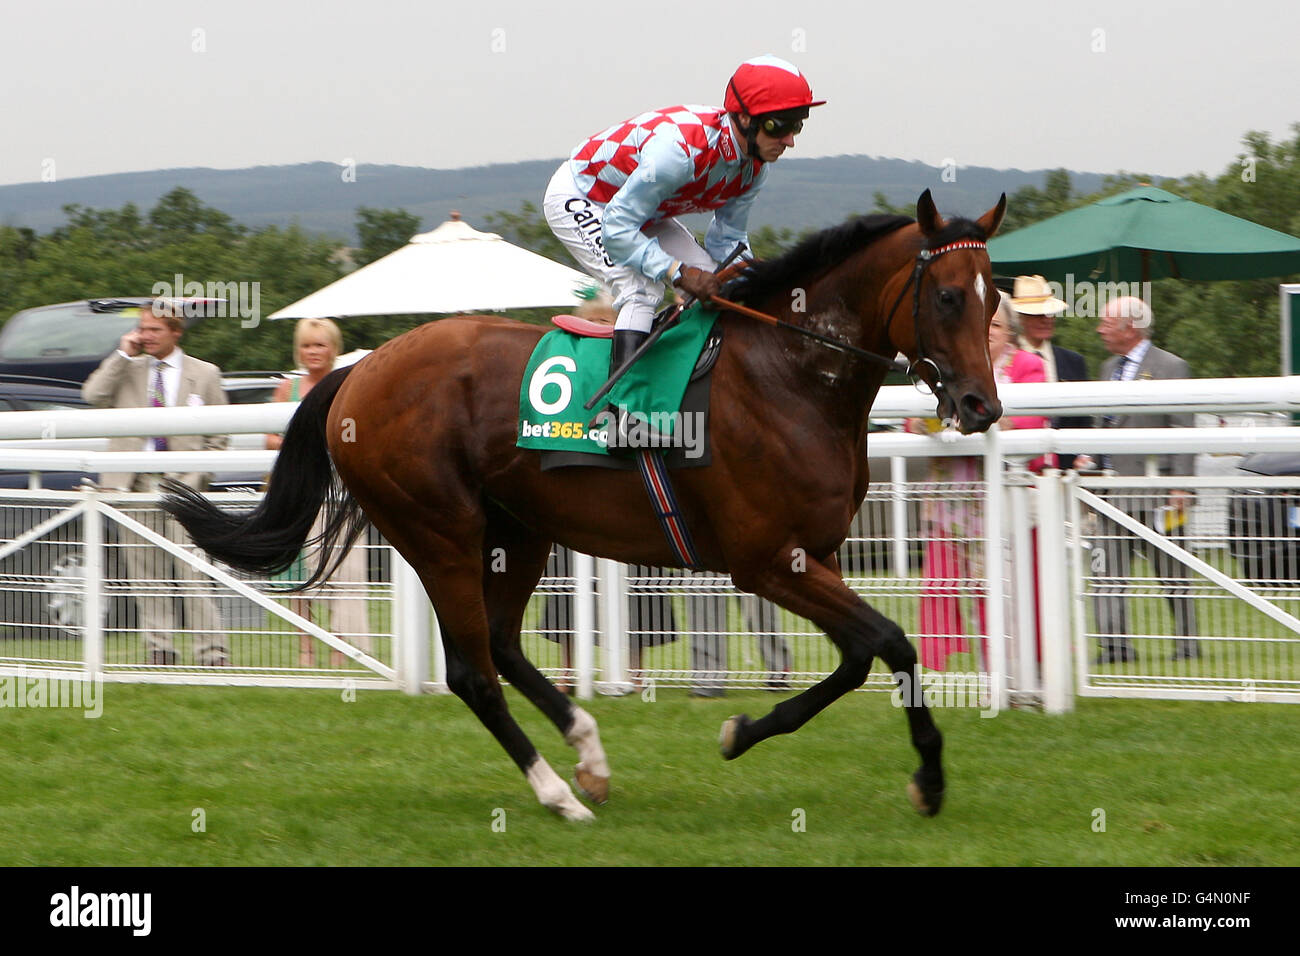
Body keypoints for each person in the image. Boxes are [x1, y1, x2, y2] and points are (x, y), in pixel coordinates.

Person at [543, 55, 825, 381]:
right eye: (780, 126)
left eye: (797, 125)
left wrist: (756, 281)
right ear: (745, 118)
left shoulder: (754, 168)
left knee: (718, 286)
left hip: (644, 211)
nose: (790, 141)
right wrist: (677, 272)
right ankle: (622, 406)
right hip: (585, 197)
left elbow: (728, 239)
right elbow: (617, 228)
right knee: (641, 289)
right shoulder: (677, 154)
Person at [82, 301, 229, 666]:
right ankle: (160, 649)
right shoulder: (126, 369)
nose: (145, 336)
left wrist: (196, 479)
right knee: (147, 575)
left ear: (176, 332)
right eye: (142, 328)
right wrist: (121, 354)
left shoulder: (205, 374)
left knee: (193, 571)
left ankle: (212, 653)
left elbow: (220, 436)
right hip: (134, 486)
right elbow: (92, 396)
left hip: (183, 487)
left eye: (154, 330)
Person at [907, 294, 1049, 671]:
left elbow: (1031, 423)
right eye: (981, 324)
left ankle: (1009, 672)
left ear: (1011, 333)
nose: (987, 333)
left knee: (1006, 591)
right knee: (940, 587)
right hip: (952, 504)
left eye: (996, 325)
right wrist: (940, 424)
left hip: (1007, 505)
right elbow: (914, 419)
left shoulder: (1027, 365)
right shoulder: (949, 365)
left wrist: (969, 422)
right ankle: (937, 677)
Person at [1089, 296, 1199, 663]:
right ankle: (1115, 647)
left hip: (1160, 494)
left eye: (1106, 323)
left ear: (1129, 328)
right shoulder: (1107, 368)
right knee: (1106, 572)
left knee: (1173, 572)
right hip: (1110, 491)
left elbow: (1184, 430)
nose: (1099, 329)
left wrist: (1182, 485)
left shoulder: (1172, 367)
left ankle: (1187, 644)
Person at [266, 318, 370, 668]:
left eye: (320, 345)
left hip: (340, 493)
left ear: (333, 349)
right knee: (302, 577)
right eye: (308, 345)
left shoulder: (346, 385)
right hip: (300, 493)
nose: (313, 351)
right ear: (299, 350)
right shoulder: (286, 390)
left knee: (343, 569)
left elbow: (354, 433)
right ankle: (306, 652)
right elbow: (268, 437)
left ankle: (340, 651)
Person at [1009, 275, 1091, 470]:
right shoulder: (1004, 361)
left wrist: (1084, 457)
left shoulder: (1073, 362)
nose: (1046, 320)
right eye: (1037, 314)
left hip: (1065, 473)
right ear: (1020, 318)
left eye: (1050, 313)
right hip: (1015, 467)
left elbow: (1084, 420)